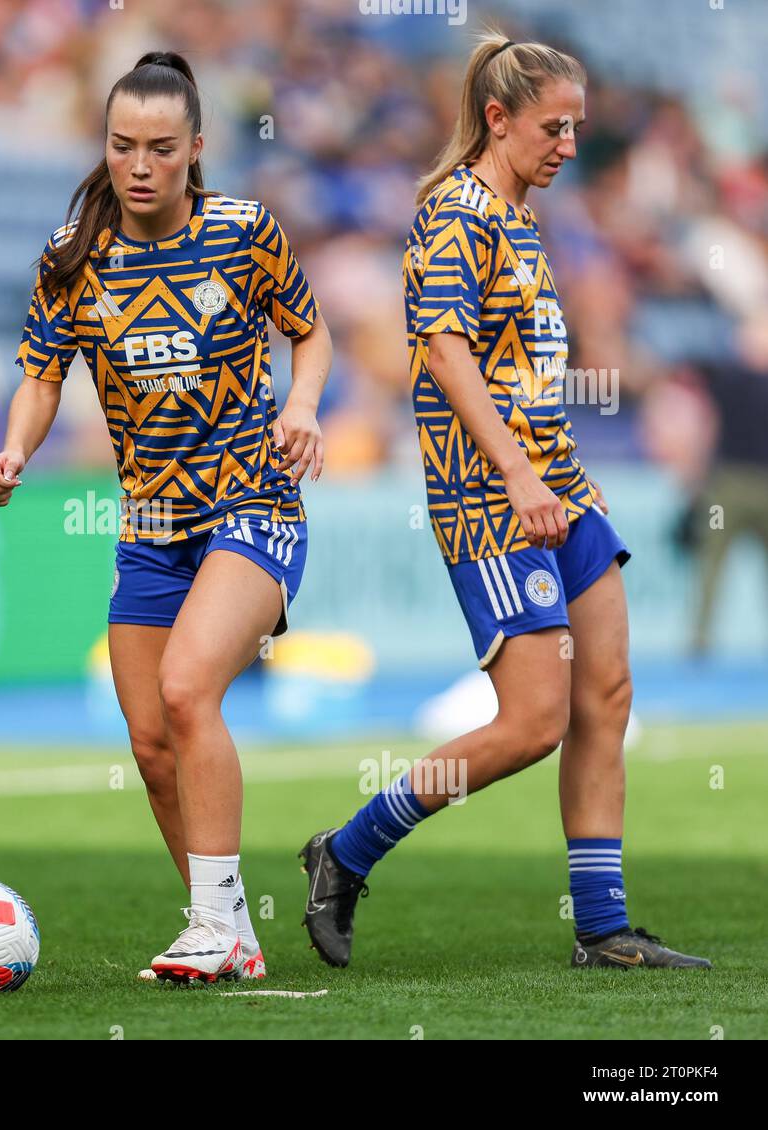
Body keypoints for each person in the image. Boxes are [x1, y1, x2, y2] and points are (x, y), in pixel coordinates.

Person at [300, 31, 710, 971]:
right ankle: (346, 851)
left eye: (577, 128)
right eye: (553, 127)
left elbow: (516, 363)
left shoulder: (520, 217)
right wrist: (520, 474)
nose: (569, 145)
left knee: (606, 694)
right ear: (497, 119)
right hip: (490, 500)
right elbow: (442, 355)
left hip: (559, 489)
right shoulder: (455, 215)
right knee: (534, 722)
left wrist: (557, 464)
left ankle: (602, 929)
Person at [0, 51, 332, 983]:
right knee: (148, 741)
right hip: (150, 523)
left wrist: (303, 407)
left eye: (160, 148)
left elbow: (311, 329)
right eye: (122, 144)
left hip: (253, 503)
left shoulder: (244, 233)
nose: (138, 164)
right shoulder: (75, 258)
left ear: (197, 150)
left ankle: (216, 930)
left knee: (187, 691)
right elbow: (40, 374)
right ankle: (226, 929)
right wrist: (18, 446)